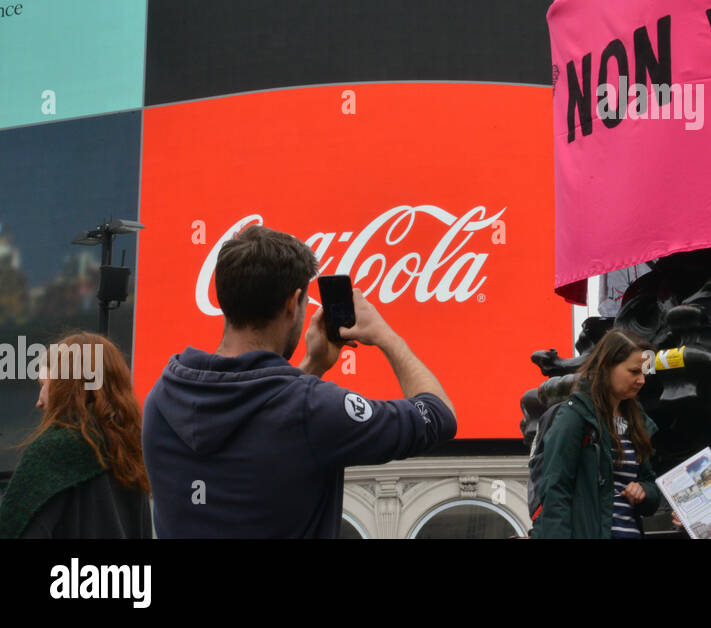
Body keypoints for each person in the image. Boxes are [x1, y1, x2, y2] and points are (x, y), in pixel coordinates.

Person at [141, 224, 456, 537]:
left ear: (223, 297)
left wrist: (313, 365)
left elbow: (261, 423)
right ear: (292, 304)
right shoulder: (312, 409)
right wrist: (386, 336)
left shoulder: (162, 399)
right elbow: (437, 415)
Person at [0, 332, 152, 538]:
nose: (39, 402)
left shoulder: (52, 452)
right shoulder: (129, 453)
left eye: (44, 385)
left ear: (67, 386)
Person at [532, 329, 662, 538]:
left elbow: (650, 483)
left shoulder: (639, 421)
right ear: (607, 366)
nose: (641, 380)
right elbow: (556, 489)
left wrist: (645, 491)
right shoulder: (575, 415)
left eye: (644, 373)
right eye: (634, 371)